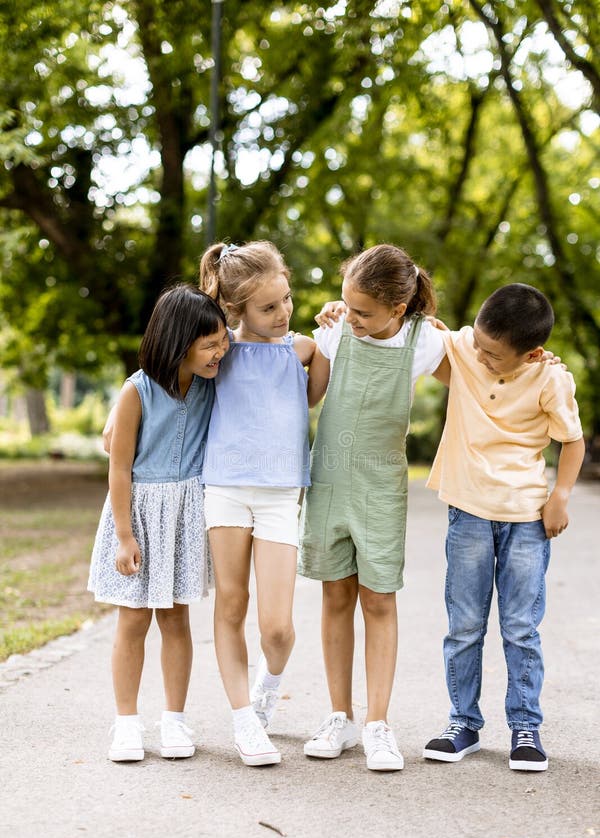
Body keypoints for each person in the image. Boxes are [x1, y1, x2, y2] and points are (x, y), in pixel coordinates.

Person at [298, 244, 449, 771]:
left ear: (399, 309)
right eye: (347, 306)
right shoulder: (337, 332)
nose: (353, 318)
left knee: (379, 600)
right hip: (330, 483)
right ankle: (338, 714)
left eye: (364, 311)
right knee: (335, 595)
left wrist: (534, 362)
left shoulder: (426, 343)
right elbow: (305, 392)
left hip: (382, 489)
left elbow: (482, 376)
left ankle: (378, 724)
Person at [423, 283, 585, 771]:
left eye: (494, 353)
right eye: (478, 342)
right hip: (468, 513)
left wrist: (560, 498)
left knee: (520, 627)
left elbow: (572, 443)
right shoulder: (465, 345)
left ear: (533, 353)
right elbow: (402, 327)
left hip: (527, 518)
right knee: (465, 626)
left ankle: (525, 726)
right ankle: (463, 723)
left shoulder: (550, 379)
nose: (480, 354)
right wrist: (340, 312)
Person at [88, 284, 229, 762]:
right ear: (177, 342)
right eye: (210, 344)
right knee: (133, 620)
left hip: (186, 513)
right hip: (141, 514)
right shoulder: (137, 391)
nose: (220, 351)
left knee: (175, 618)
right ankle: (126, 723)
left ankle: (174, 721)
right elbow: (119, 467)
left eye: (222, 340)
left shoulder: (213, 382)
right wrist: (125, 536)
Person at [199, 241, 316, 767]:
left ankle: (269, 684)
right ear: (236, 310)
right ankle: (244, 719)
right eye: (269, 307)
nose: (283, 312)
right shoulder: (218, 353)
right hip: (224, 487)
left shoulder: (305, 352)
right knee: (230, 604)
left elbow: (313, 398)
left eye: (286, 299)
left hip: (279, 496)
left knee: (277, 627)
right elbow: (160, 376)